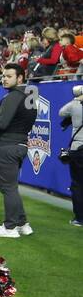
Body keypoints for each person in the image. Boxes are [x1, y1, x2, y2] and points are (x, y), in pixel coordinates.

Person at [0, 63, 36, 239]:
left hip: (6, 147)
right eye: (3, 76)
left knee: (8, 188)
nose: (4, 79)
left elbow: (2, 123)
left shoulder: (14, 96)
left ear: (20, 78)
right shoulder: (28, 95)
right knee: (11, 187)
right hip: (20, 145)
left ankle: (10, 227)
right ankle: (22, 224)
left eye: (9, 76)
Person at [60, 85, 83, 227]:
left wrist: (77, 99)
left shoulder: (75, 105)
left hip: (79, 149)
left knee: (78, 184)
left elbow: (61, 112)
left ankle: (80, 218)